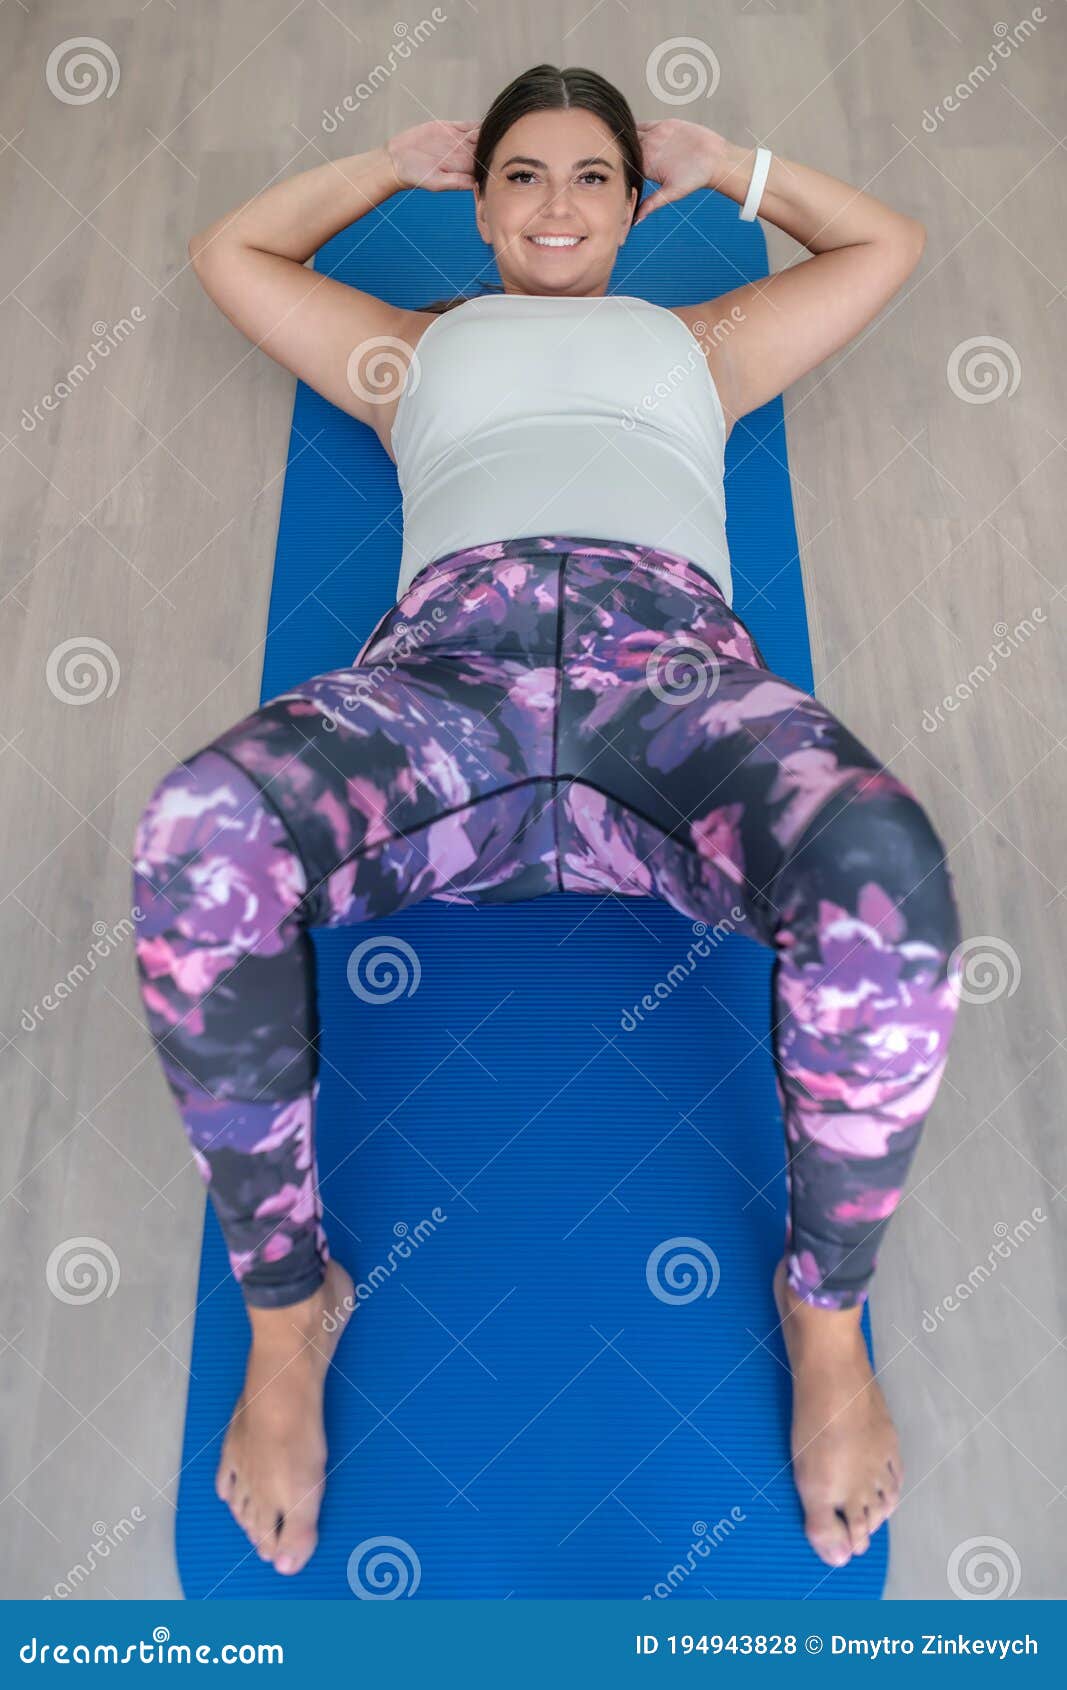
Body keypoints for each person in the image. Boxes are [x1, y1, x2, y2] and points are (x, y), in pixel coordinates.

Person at [131, 63, 963, 1580]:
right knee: (197, 837)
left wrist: (736, 166)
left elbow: (885, 247)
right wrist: (386, 163)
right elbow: (233, 260)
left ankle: (824, 1317)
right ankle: (284, 1310)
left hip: (675, 692)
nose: (559, 203)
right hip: (456, 695)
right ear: (482, 198)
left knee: (884, 865)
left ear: (638, 204)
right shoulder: (411, 354)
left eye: (595, 176)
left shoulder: (703, 346)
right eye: (522, 174)